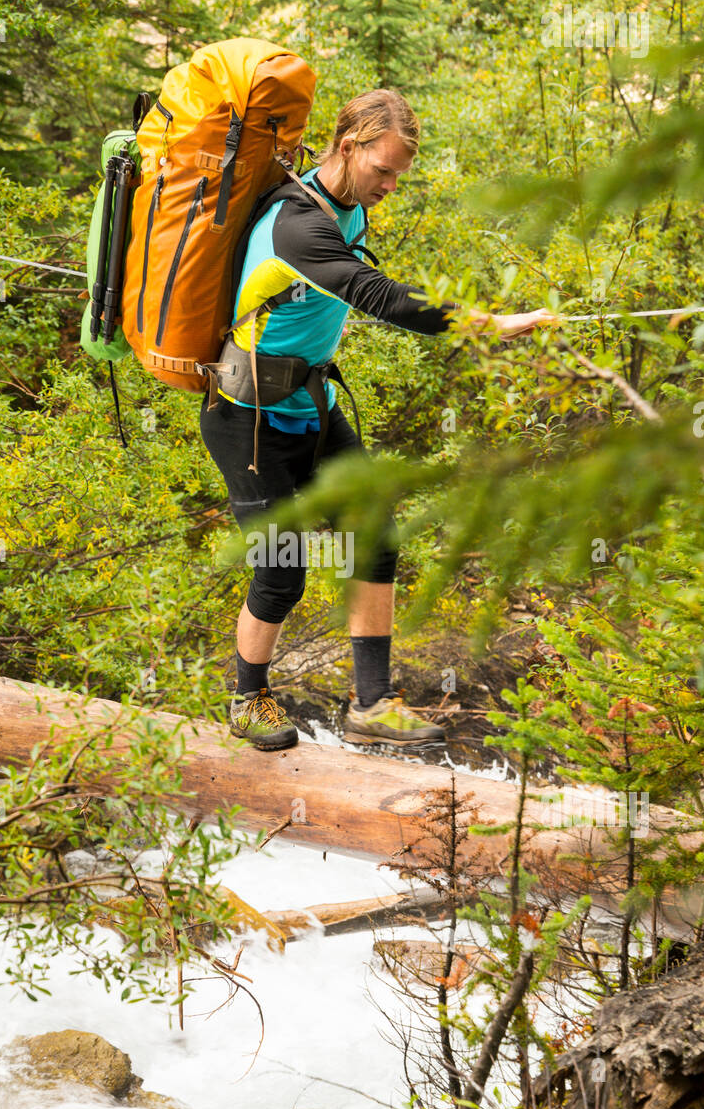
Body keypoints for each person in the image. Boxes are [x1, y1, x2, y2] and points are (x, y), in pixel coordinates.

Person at [200, 88, 555, 751]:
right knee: (282, 568)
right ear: (346, 146)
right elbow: (376, 295)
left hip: (311, 404)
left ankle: (371, 706)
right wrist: (483, 324)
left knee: (376, 536)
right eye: (381, 170)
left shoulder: (345, 209)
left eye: (399, 175)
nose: (390, 185)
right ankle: (246, 699)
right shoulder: (296, 225)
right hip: (247, 415)